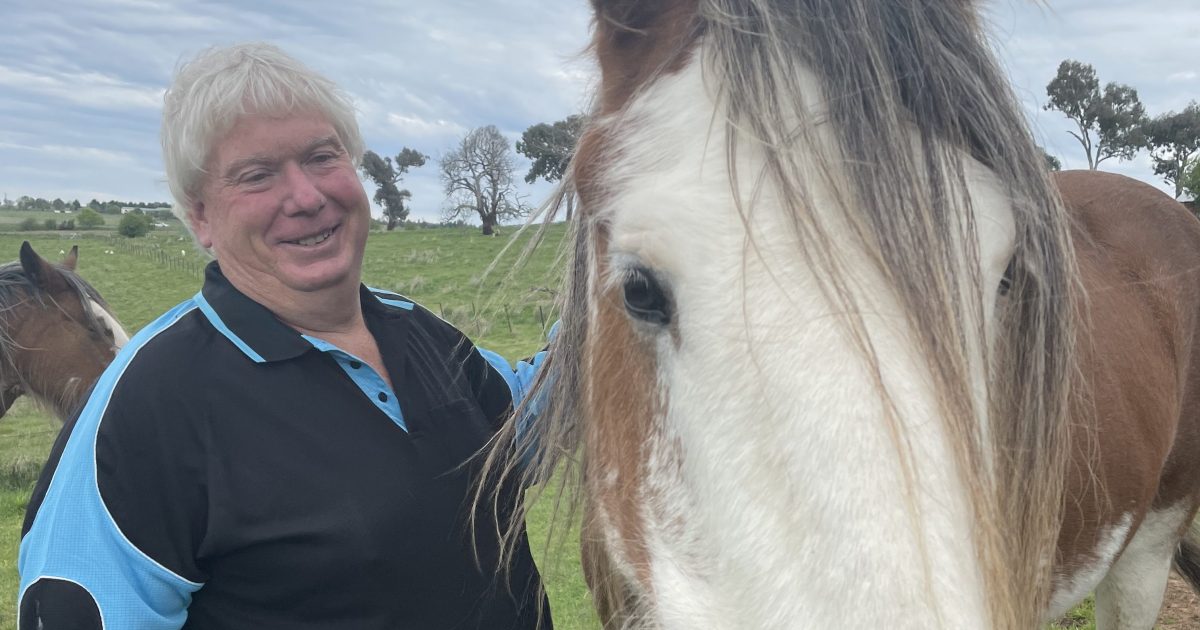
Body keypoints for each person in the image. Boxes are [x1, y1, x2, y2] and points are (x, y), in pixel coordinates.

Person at [18, 43, 552, 629]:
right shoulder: (145, 409)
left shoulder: (419, 331)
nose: (305, 197)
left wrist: (617, 292)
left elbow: (522, 422)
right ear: (200, 217)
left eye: (322, 157)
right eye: (257, 176)